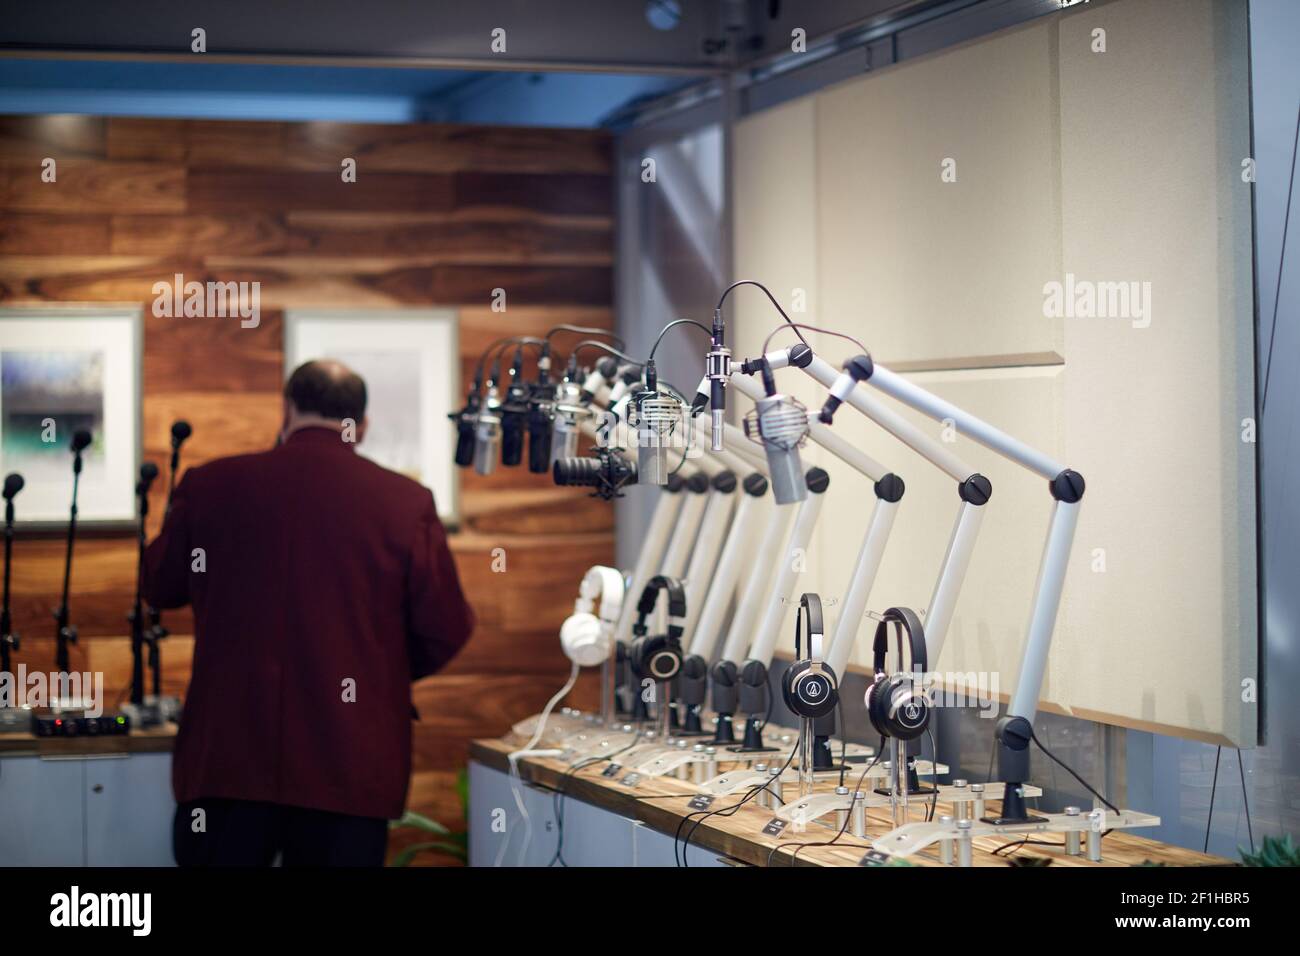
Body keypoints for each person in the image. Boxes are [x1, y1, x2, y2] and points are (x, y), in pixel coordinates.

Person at [145, 359, 475, 866]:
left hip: (229, 758)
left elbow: (160, 586)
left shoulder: (210, 485)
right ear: (359, 426)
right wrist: (374, 670)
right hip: (346, 762)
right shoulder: (405, 503)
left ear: (287, 410)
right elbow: (446, 627)